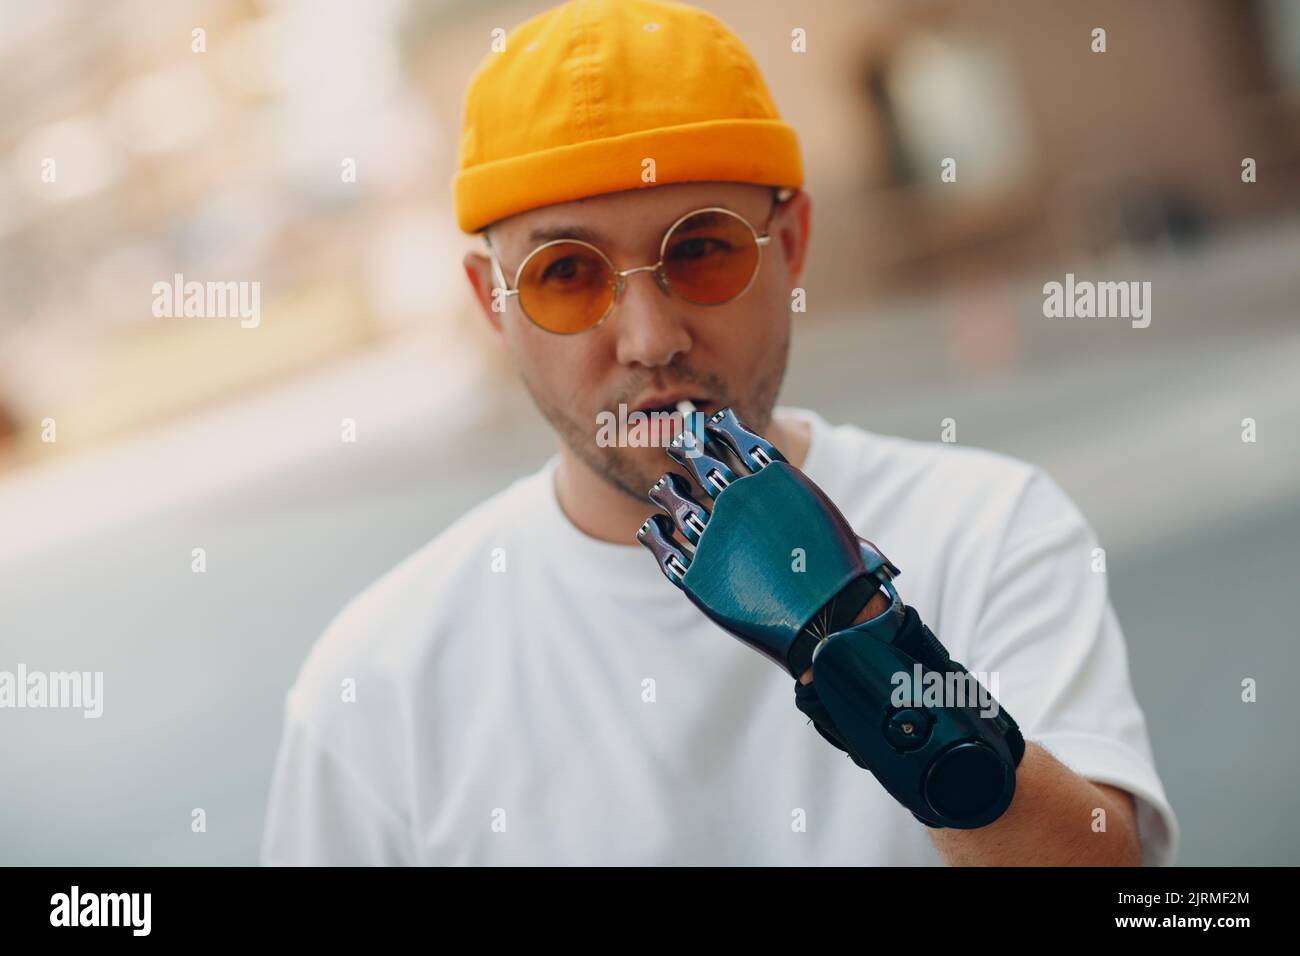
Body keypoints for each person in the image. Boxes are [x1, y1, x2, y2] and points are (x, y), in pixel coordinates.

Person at [261, 0, 1177, 865]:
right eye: (567, 273)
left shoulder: (989, 525)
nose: (652, 339)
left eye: (700, 250)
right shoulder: (375, 683)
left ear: (792, 246)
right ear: (490, 304)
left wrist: (864, 648)